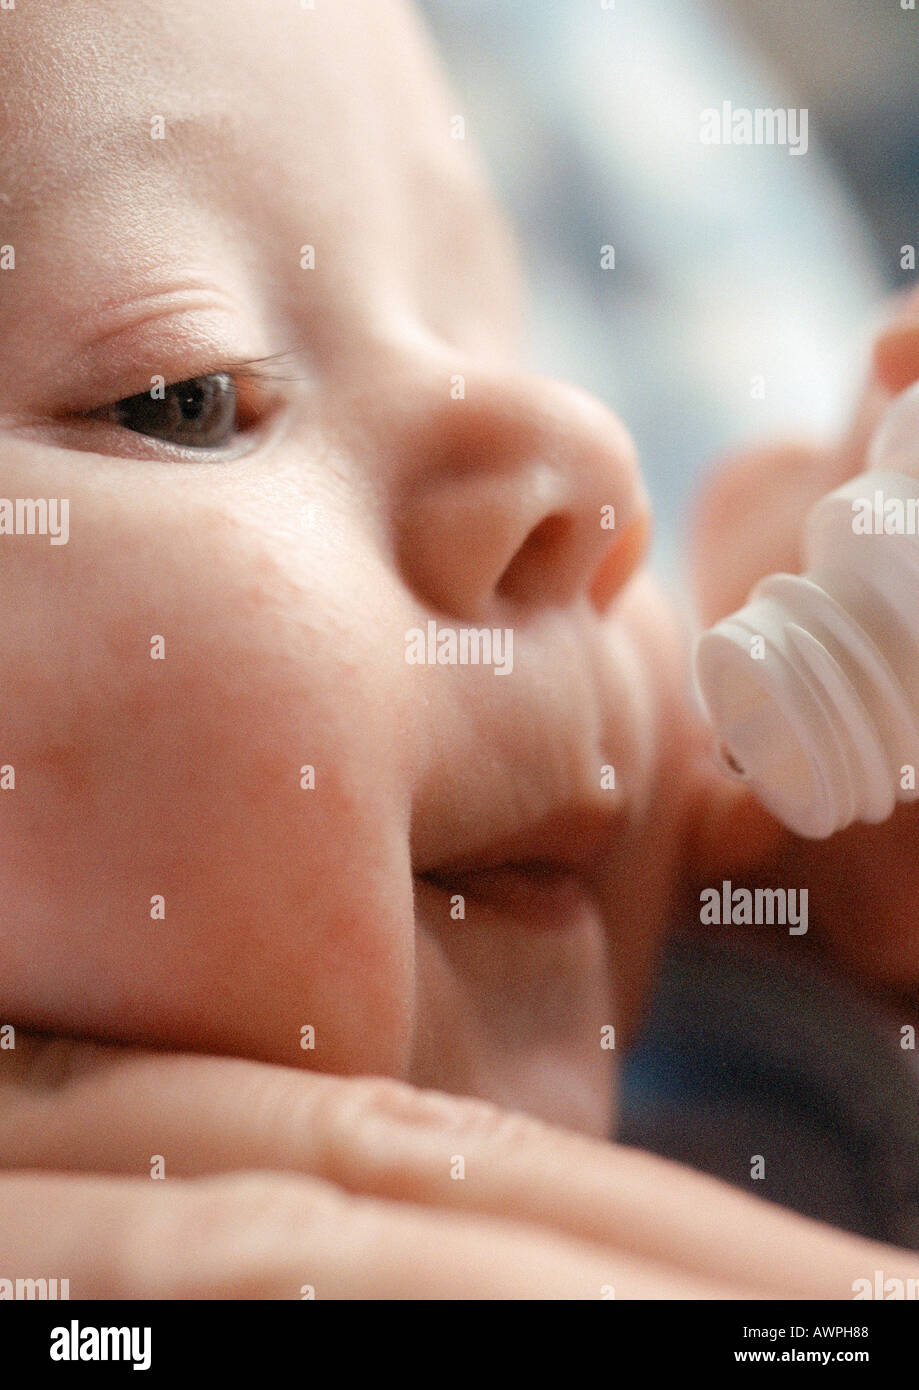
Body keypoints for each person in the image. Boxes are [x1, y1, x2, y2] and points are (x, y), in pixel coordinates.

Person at [0, 0, 917, 1297]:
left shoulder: (758, 1109)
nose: (592, 457)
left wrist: (821, 979)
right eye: (186, 398)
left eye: (507, 336)